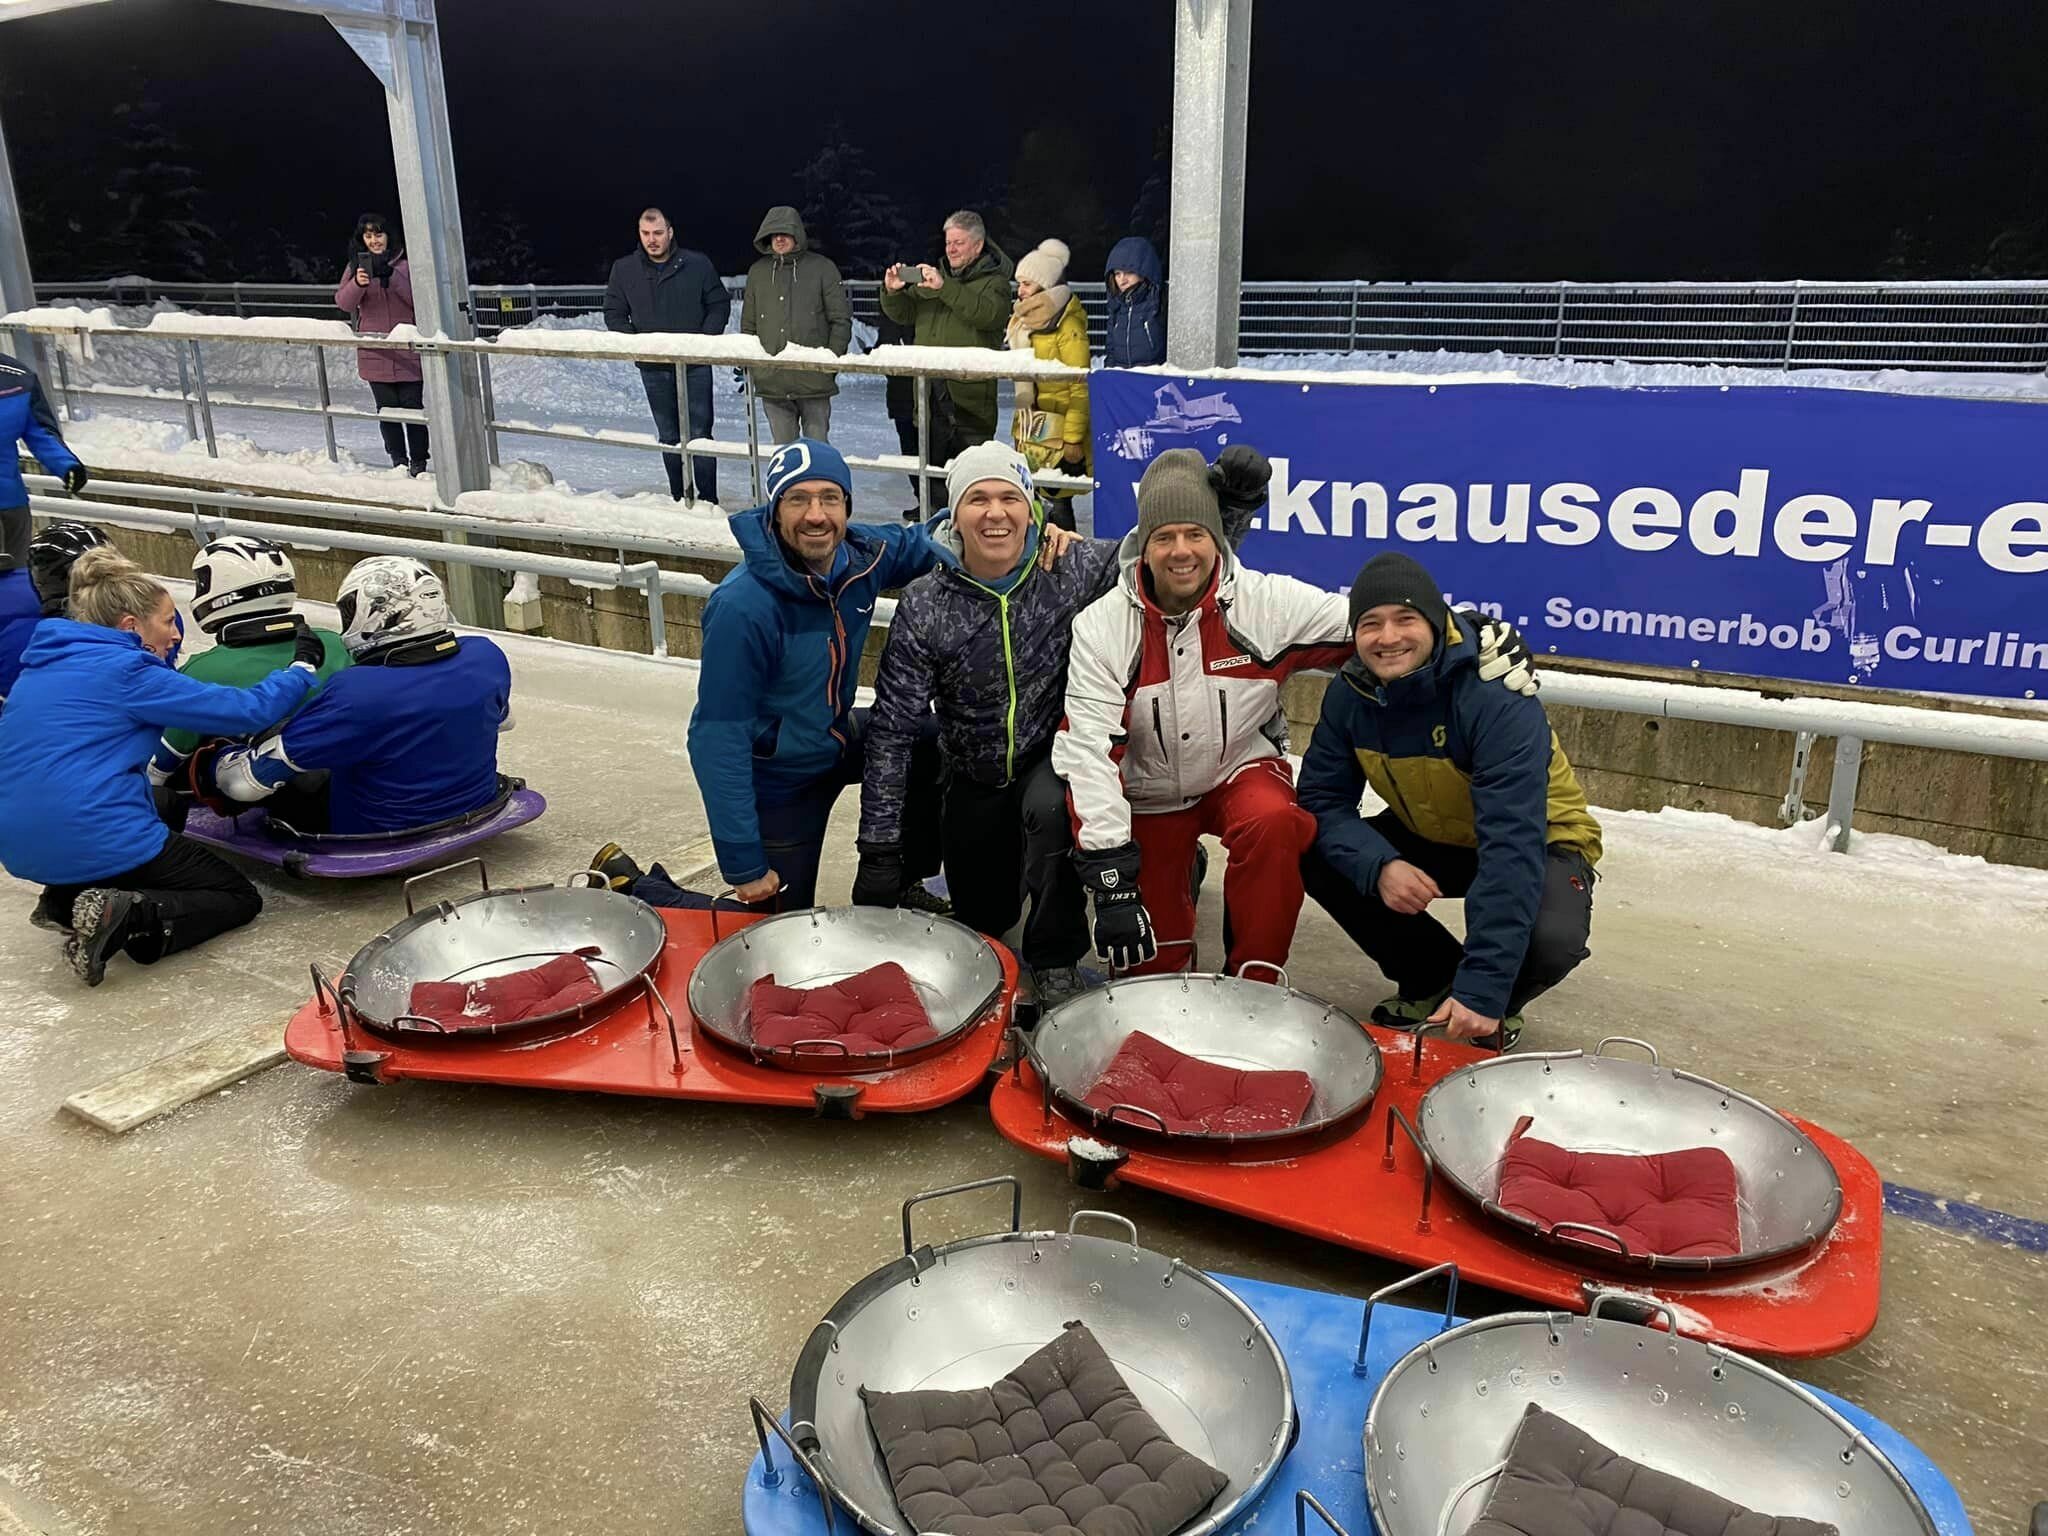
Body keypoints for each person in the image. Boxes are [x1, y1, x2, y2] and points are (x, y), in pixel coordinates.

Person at [1054, 449, 1538, 982]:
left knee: (1279, 821)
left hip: (1236, 773)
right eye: (1163, 537)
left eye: (1196, 533)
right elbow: (1090, 752)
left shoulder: (1265, 602)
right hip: (1147, 791)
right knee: (1154, 972)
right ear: (1142, 547)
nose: (1181, 551)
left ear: (1217, 538)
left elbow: (1376, 626)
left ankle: (1255, 980)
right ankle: (1164, 950)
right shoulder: (1102, 628)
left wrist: (1468, 632)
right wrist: (1111, 879)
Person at [595, 438, 1076, 914]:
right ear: (774, 508)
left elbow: (936, 538)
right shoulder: (743, 607)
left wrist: (1039, 533)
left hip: (836, 737)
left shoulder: (859, 556)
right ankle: (643, 891)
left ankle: (906, 876)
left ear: (846, 506)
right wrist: (742, 861)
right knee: (774, 931)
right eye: (798, 499)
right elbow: (716, 736)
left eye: (829, 498)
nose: (816, 515)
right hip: (779, 775)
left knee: (929, 740)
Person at [853, 443, 1123, 1011]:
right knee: (985, 920)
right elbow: (893, 732)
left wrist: (1230, 503)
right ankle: (1001, 885)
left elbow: (1175, 555)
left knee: (1053, 810)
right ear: (956, 514)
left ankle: (1055, 958)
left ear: (1031, 509)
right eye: (978, 499)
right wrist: (880, 851)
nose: (995, 513)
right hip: (973, 772)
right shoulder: (927, 603)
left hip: (1050, 762)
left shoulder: (1071, 568)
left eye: (1009, 497)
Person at [1299, 554, 1602, 1052]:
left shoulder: (1495, 694)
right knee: (1311, 846)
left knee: (1552, 939)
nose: (1388, 637)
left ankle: (1494, 1002)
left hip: (1539, 839)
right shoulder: (1350, 693)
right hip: (1434, 833)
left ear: (1436, 623)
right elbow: (1321, 800)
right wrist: (1379, 866)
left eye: (1406, 619)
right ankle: (1433, 980)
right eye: (1370, 624)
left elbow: (1511, 844)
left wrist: (1484, 990)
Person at [0, 548, 323, 985]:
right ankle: (134, 916)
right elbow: (247, 711)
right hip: (94, 834)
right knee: (237, 896)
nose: (175, 635)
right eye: (169, 621)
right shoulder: (130, 672)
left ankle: (62, 899)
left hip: (20, 844)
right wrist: (302, 668)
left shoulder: (43, 667)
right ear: (130, 626)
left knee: (164, 801)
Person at [204, 557, 511, 836]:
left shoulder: (358, 690)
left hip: (377, 827)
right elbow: (502, 720)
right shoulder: (486, 655)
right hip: (472, 801)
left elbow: (242, 786)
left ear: (383, 612)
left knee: (283, 759)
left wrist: (218, 758)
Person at [147, 538, 352, 811]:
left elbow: (156, 770)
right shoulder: (336, 643)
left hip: (264, 803)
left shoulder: (202, 670)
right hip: (346, 790)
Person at [605, 207, 731, 504]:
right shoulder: (624, 270)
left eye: (658, 233)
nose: (652, 240)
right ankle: (677, 497)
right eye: (646, 234)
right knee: (669, 434)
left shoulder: (697, 265)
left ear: (670, 232)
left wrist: (703, 342)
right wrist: (637, 344)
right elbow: (614, 312)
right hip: (653, 367)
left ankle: (708, 501)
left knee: (700, 433)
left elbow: (718, 304)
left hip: (695, 365)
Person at [878, 210, 1013, 471]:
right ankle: (932, 509)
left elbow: (988, 315)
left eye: (958, 243)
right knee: (932, 473)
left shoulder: (995, 283)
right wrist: (892, 292)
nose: (951, 249)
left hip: (969, 402)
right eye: (948, 242)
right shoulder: (937, 277)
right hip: (930, 395)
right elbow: (904, 314)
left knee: (969, 477)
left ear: (978, 245)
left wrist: (945, 288)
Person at [740, 206, 851, 445]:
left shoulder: (822, 268)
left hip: (814, 382)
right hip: (773, 383)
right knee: (785, 455)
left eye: (785, 233)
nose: (779, 239)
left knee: (817, 453)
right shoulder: (758, 273)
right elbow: (748, 325)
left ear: (797, 235)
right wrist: (753, 365)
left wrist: (829, 363)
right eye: (774, 234)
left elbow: (840, 320)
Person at [1005, 239, 1092, 533]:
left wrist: (1073, 440)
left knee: (1058, 500)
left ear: (1046, 285)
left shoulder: (1068, 327)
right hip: (1033, 427)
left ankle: (1067, 562)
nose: (1021, 291)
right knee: (1035, 496)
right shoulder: (1023, 322)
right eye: (1020, 284)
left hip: (1060, 431)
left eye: (1027, 284)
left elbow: (1079, 387)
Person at [335, 213, 429, 476]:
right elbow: (344, 303)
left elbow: (418, 302)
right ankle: (398, 462)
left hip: (407, 349)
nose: (374, 240)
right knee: (387, 411)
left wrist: (392, 276)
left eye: (379, 234)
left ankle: (419, 463)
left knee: (413, 409)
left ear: (388, 236)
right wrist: (358, 283)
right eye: (368, 235)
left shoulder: (406, 267)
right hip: (374, 351)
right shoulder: (356, 266)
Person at [2, 350, 88, 571]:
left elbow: (40, 431)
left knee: (16, 579)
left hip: (10, 504)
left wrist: (66, 465)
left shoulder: (18, 378)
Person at [1103, 236, 1166, 369]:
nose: (1122, 280)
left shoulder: (1160, 301)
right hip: (1122, 381)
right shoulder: (1116, 305)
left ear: (1144, 272)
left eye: (1129, 273)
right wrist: (1110, 374)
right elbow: (1111, 349)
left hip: (1154, 380)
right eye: (1117, 274)